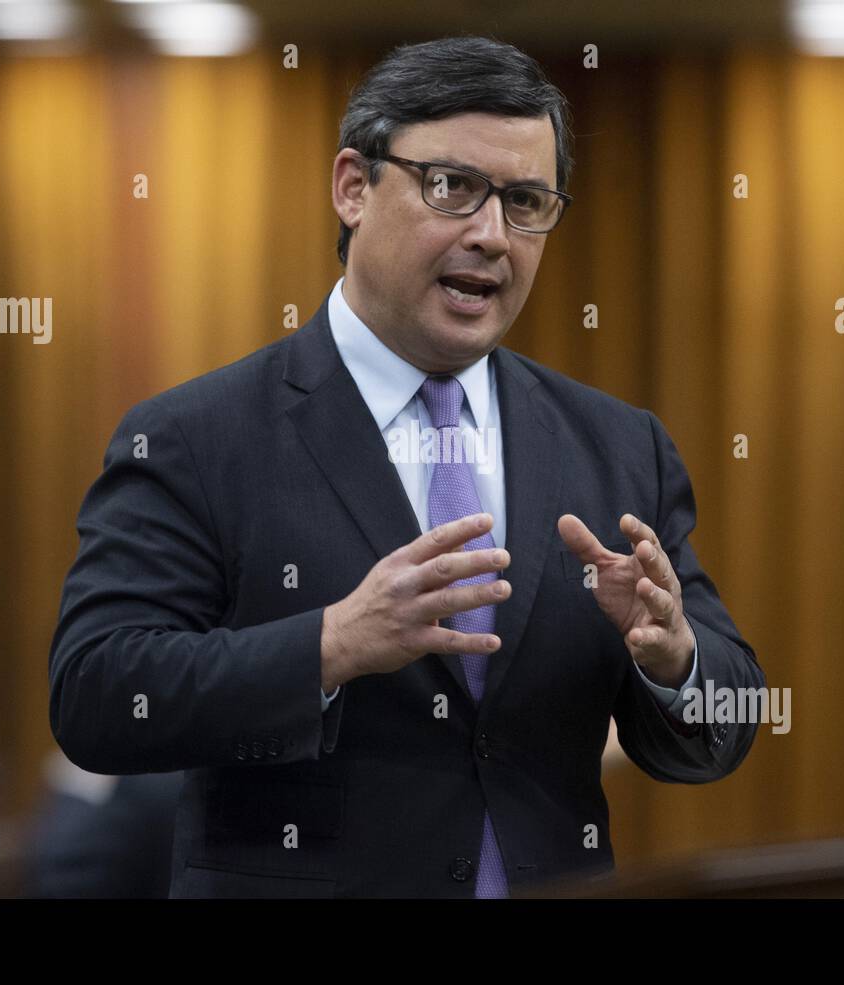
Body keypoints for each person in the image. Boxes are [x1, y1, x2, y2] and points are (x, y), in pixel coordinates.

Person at [48, 35, 766, 898]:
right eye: (453, 188)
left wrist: (674, 658)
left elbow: (729, 717)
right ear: (354, 187)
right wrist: (331, 644)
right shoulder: (196, 436)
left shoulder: (616, 445)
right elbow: (97, 694)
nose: (493, 236)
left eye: (527, 201)